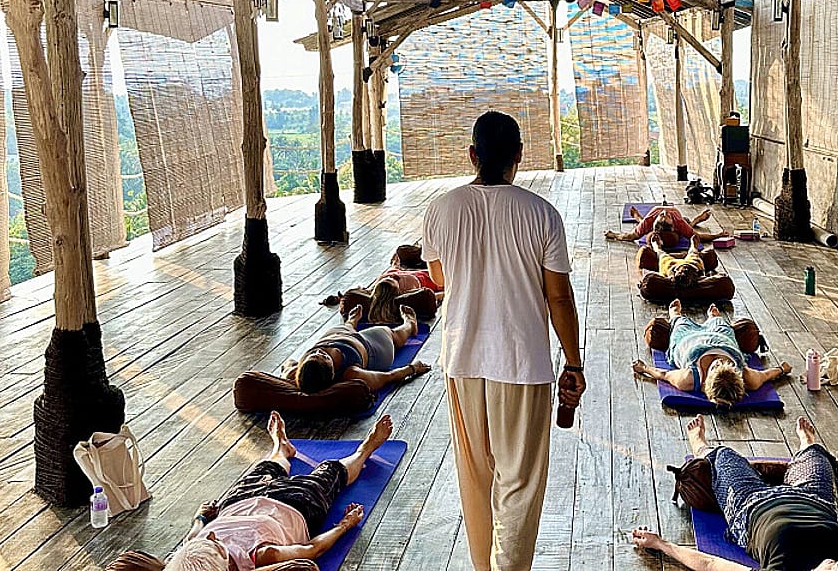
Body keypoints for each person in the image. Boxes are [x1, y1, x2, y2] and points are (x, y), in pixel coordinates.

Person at [421, 110, 585, 571]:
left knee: (475, 477)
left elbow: (439, 278)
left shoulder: (442, 209)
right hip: (523, 364)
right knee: (519, 481)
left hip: (462, 359)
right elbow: (559, 297)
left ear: (472, 155)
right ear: (519, 156)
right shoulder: (542, 215)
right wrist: (573, 364)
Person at [630, 415, 838, 571]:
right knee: (817, 456)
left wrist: (660, 544)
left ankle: (699, 443)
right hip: (817, 501)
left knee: (722, 458)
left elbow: (711, 566)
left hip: (750, 508)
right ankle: (806, 444)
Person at [164, 411, 393, 571]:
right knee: (331, 472)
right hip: (295, 504)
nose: (212, 536)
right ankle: (365, 450)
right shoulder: (262, 557)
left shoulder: (193, 551)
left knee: (266, 467)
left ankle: (280, 447)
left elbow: (194, 534)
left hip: (240, 501)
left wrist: (201, 515)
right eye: (215, 544)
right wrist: (345, 524)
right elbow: (312, 549)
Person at [632, 300, 789, 406]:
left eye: (716, 367)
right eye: (725, 364)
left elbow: (664, 375)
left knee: (680, 324)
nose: (720, 362)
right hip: (722, 338)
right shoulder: (749, 378)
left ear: (705, 382)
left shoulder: (689, 379)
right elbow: (767, 375)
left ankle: (675, 315)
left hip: (688, 339)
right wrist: (782, 369)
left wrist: (645, 368)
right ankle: (714, 317)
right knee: (720, 323)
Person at [280, 304, 430, 393]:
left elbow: (287, 364)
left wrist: (289, 373)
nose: (320, 351)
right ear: (332, 371)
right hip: (371, 345)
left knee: (341, 329)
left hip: (342, 334)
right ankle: (410, 324)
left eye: (314, 354)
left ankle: (351, 322)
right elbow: (387, 377)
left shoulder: (300, 371)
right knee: (393, 335)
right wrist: (413, 368)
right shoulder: (351, 374)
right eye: (324, 357)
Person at [605, 204, 729, 244]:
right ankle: (696, 220)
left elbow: (697, 237)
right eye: (664, 215)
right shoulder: (651, 220)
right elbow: (630, 236)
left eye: (666, 215)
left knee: (685, 224)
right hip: (654, 222)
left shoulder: (677, 222)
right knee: (685, 228)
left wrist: (717, 236)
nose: (665, 211)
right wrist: (614, 235)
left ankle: (637, 218)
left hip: (674, 223)